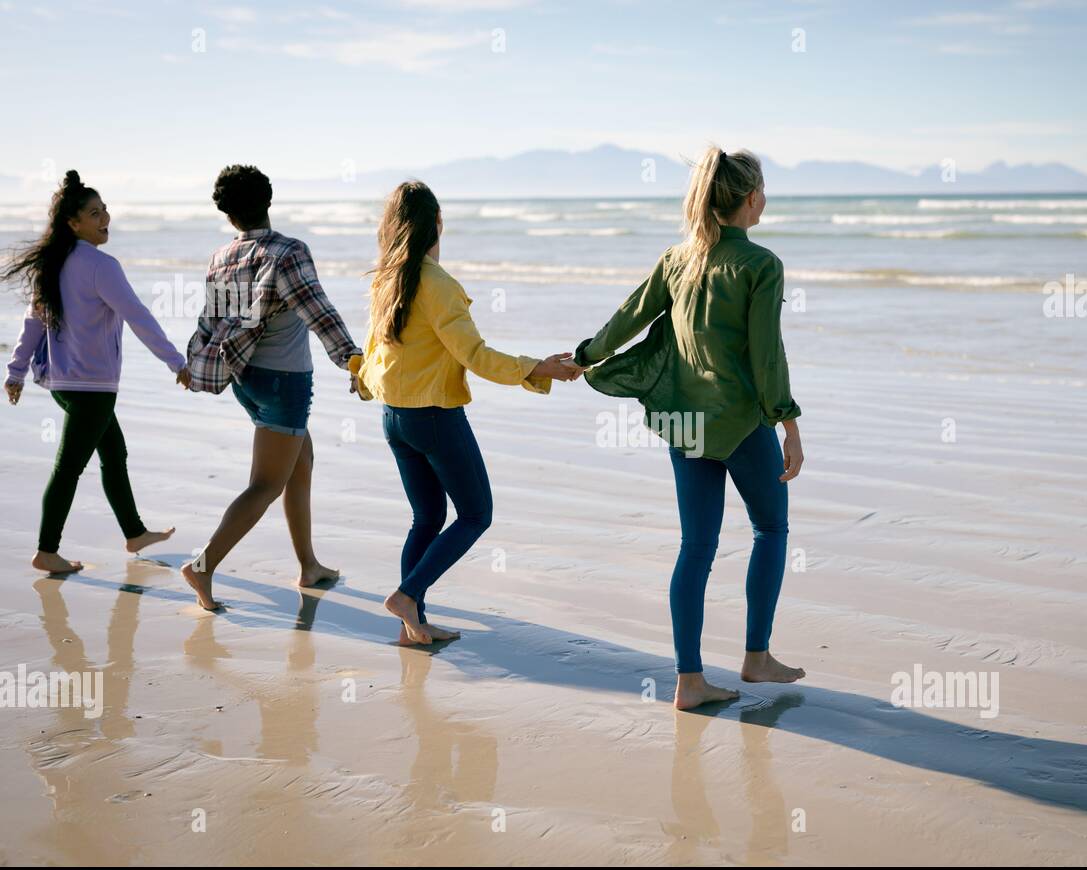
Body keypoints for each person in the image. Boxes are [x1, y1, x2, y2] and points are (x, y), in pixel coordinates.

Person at [572, 147, 806, 710]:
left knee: (696, 547)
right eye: (764, 190)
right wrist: (789, 421)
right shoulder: (760, 265)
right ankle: (756, 656)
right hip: (739, 422)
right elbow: (765, 355)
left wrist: (584, 355)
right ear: (751, 199)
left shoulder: (678, 258)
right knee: (770, 530)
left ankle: (689, 680)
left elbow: (629, 316)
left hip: (685, 423)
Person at [355, 180, 580, 646]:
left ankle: (411, 625)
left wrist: (362, 382)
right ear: (438, 224)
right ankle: (407, 596)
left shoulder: (386, 279)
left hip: (394, 416)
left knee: (427, 517)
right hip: (434, 416)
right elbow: (473, 355)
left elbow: (375, 349)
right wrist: (538, 369)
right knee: (476, 513)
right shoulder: (439, 285)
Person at [181, 165, 360, 610]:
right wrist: (355, 361)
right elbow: (319, 312)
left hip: (246, 379)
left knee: (302, 461)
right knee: (265, 484)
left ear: (227, 213)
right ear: (269, 198)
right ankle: (202, 567)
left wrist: (192, 364)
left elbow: (211, 321)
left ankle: (309, 565)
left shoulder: (222, 256)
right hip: (284, 383)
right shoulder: (288, 251)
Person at [3, 170, 190, 574]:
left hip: (64, 382)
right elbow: (137, 315)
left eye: (105, 210)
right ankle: (46, 551)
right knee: (68, 467)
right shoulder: (101, 266)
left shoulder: (53, 265)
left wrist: (16, 372)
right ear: (73, 223)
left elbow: (33, 322)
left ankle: (135, 533)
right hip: (93, 385)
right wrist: (175, 361)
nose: (105, 218)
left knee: (114, 453)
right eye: (94, 213)